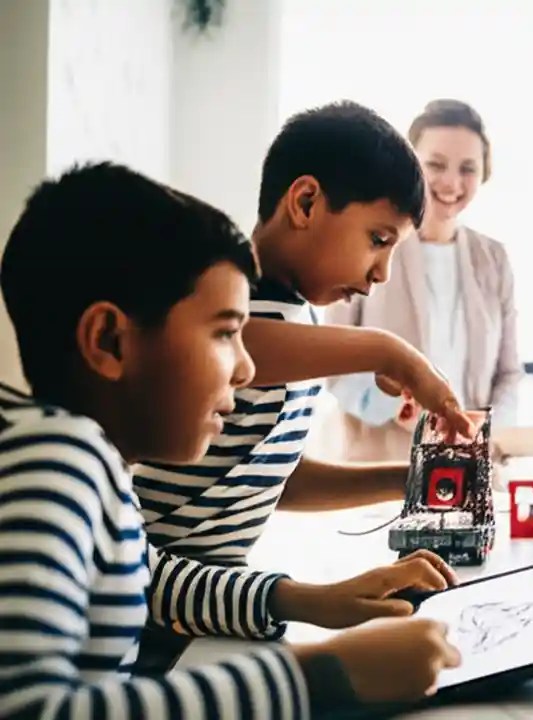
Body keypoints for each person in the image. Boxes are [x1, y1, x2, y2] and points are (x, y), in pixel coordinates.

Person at [0, 162, 460, 717]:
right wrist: (316, 676)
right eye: (224, 333)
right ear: (109, 340)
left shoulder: (91, 469)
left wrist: (315, 601)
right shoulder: (56, 466)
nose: (245, 368)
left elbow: (157, 579)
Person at [130, 101, 471, 622]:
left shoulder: (300, 318)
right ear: (306, 202)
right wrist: (390, 351)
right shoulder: (230, 304)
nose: (381, 272)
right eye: (378, 240)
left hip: (212, 602)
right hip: (152, 598)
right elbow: (247, 346)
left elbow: (271, 477)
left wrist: (409, 479)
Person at [326, 99, 521, 462]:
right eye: (435, 164)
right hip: (378, 469)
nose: (451, 182)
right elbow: (334, 368)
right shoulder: (370, 243)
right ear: (411, 164)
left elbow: (509, 375)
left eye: (468, 168)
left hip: (470, 468)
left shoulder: (494, 258)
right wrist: (395, 405)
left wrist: (482, 427)